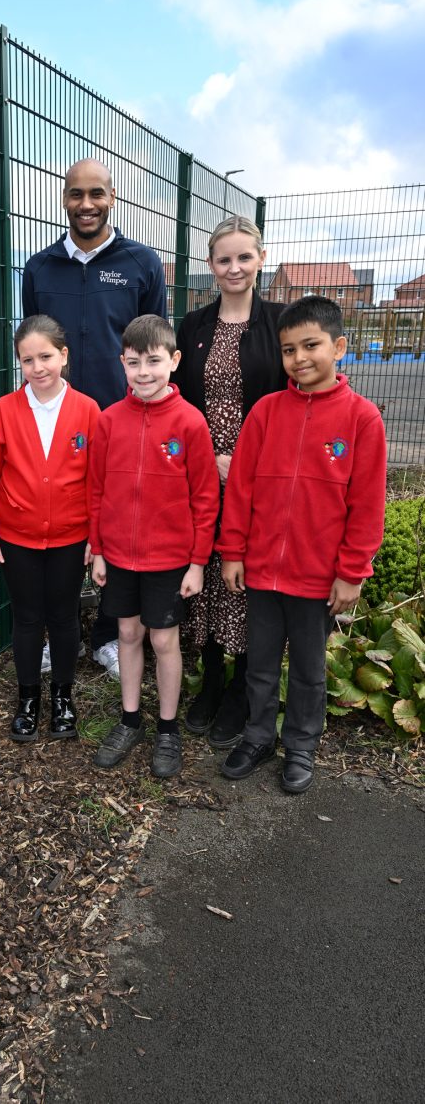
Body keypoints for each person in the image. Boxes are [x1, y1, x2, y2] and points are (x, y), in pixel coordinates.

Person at [217, 296, 387, 793]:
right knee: (260, 663)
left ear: (339, 346)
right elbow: (242, 488)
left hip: (317, 578)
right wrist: (233, 551)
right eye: (289, 349)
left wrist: (351, 571)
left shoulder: (361, 421)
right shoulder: (267, 413)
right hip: (263, 570)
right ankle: (257, 735)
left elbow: (366, 506)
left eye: (311, 345)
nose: (299, 358)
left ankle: (302, 745)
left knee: (310, 672)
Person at [22, 158, 168, 679]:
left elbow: (155, 343)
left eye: (97, 194)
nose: (87, 204)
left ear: (112, 197)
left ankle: (109, 633)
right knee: (50, 519)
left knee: (115, 519)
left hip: (119, 418)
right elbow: (34, 340)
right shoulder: (39, 268)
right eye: (76, 194)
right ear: (64, 199)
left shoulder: (142, 264)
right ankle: (45, 631)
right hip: (53, 421)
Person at [89, 315, 219, 777]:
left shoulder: (190, 423)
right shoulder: (108, 421)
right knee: (127, 634)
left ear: (174, 361)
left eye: (153, 361)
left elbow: (205, 498)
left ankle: (167, 729)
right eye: (133, 363)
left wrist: (197, 562)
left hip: (170, 559)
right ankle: (129, 721)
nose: (144, 372)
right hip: (120, 555)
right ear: (121, 363)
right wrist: (98, 549)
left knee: (164, 639)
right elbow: (97, 490)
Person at [173, 215, 286, 749]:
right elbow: (178, 403)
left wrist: (242, 462)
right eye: (224, 259)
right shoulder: (193, 326)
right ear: (211, 265)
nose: (234, 267)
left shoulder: (280, 324)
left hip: (262, 478)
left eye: (244, 257)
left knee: (247, 577)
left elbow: (295, 403)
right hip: (200, 476)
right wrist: (207, 458)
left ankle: (244, 688)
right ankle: (211, 679)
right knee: (208, 570)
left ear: (260, 259)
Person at [0, 315, 101, 743]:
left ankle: (63, 697)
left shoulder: (88, 410)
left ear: (64, 356)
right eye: (27, 360)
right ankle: (28, 697)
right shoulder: (4, 410)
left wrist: (96, 537)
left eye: (46, 356)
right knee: (28, 618)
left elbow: (97, 480)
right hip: (18, 536)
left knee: (64, 616)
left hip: (71, 536)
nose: (38, 367)